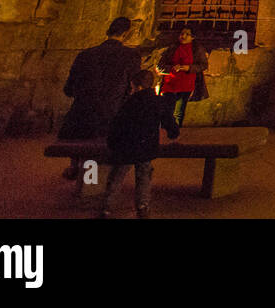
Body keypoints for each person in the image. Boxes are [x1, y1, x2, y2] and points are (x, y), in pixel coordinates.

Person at [58, 17, 140, 179]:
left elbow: (69, 88)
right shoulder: (131, 56)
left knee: (79, 123)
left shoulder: (85, 55)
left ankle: (77, 168)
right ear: (126, 34)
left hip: (82, 115)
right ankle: (94, 179)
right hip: (111, 116)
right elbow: (132, 88)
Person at [98, 69, 181, 219]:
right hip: (146, 146)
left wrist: (112, 143)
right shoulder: (158, 102)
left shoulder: (128, 103)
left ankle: (107, 207)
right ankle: (142, 207)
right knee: (144, 176)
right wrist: (173, 133)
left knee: (117, 176)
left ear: (138, 87)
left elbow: (117, 125)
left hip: (126, 148)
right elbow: (168, 120)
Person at [159, 27, 209, 126]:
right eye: (182, 33)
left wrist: (189, 68)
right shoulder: (172, 48)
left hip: (186, 84)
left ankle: (174, 134)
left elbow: (203, 65)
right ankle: (165, 132)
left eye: (187, 34)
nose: (183, 36)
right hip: (170, 84)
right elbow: (160, 65)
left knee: (178, 112)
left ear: (192, 37)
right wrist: (172, 68)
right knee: (167, 111)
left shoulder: (197, 49)